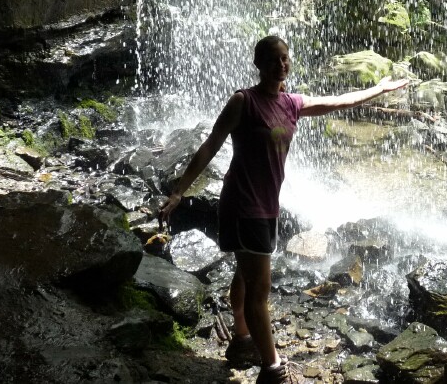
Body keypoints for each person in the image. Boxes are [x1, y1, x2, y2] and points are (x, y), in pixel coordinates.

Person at [158, 35, 409, 384]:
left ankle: (242, 339)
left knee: (245, 275)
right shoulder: (243, 102)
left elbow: (339, 102)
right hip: (243, 204)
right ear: (259, 64)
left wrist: (379, 89)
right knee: (260, 289)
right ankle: (272, 369)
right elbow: (210, 145)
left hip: (266, 206)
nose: (282, 64)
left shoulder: (291, 103)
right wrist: (178, 192)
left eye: (286, 58)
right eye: (274, 59)